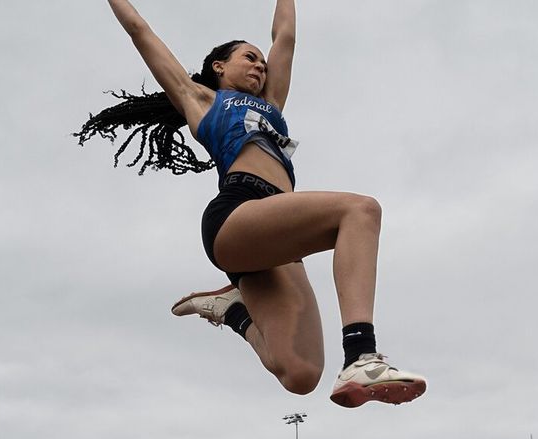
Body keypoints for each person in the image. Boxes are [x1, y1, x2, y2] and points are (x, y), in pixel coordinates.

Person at [78, 0, 426, 409]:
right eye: (250, 57)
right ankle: (361, 355)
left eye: (263, 61)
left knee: (300, 374)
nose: (261, 65)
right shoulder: (201, 100)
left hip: (278, 234)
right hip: (238, 214)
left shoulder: (272, 106)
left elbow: (287, 37)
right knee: (360, 210)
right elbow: (139, 29)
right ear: (219, 67)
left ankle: (234, 312)